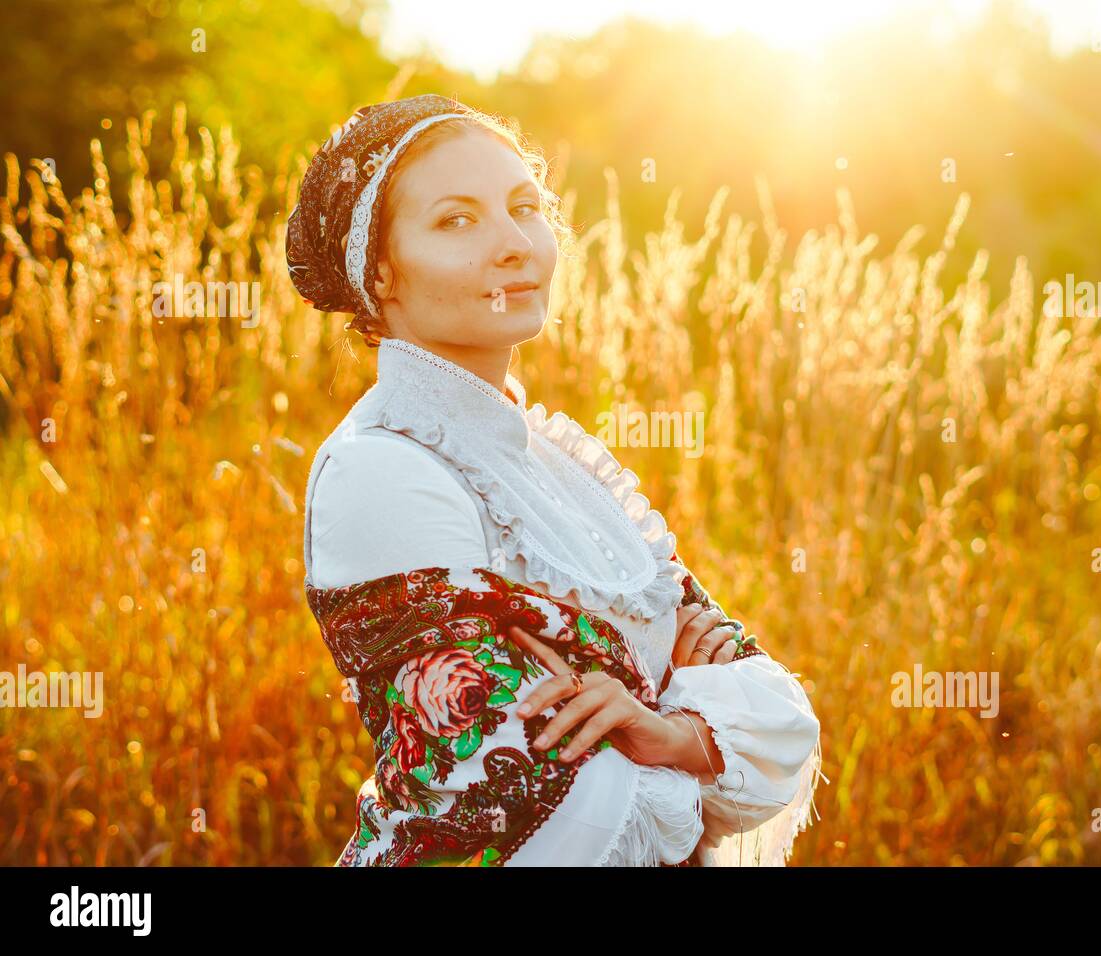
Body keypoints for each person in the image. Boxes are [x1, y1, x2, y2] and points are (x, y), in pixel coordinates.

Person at [287, 93, 822, 866]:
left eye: (525, 206)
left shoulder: (560, 462)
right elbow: (513, 804)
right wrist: (698, 748)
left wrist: (667, 732)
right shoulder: (381, 468)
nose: (515, 245)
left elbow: (780, 719)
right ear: (378, 272)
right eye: (457, 220)